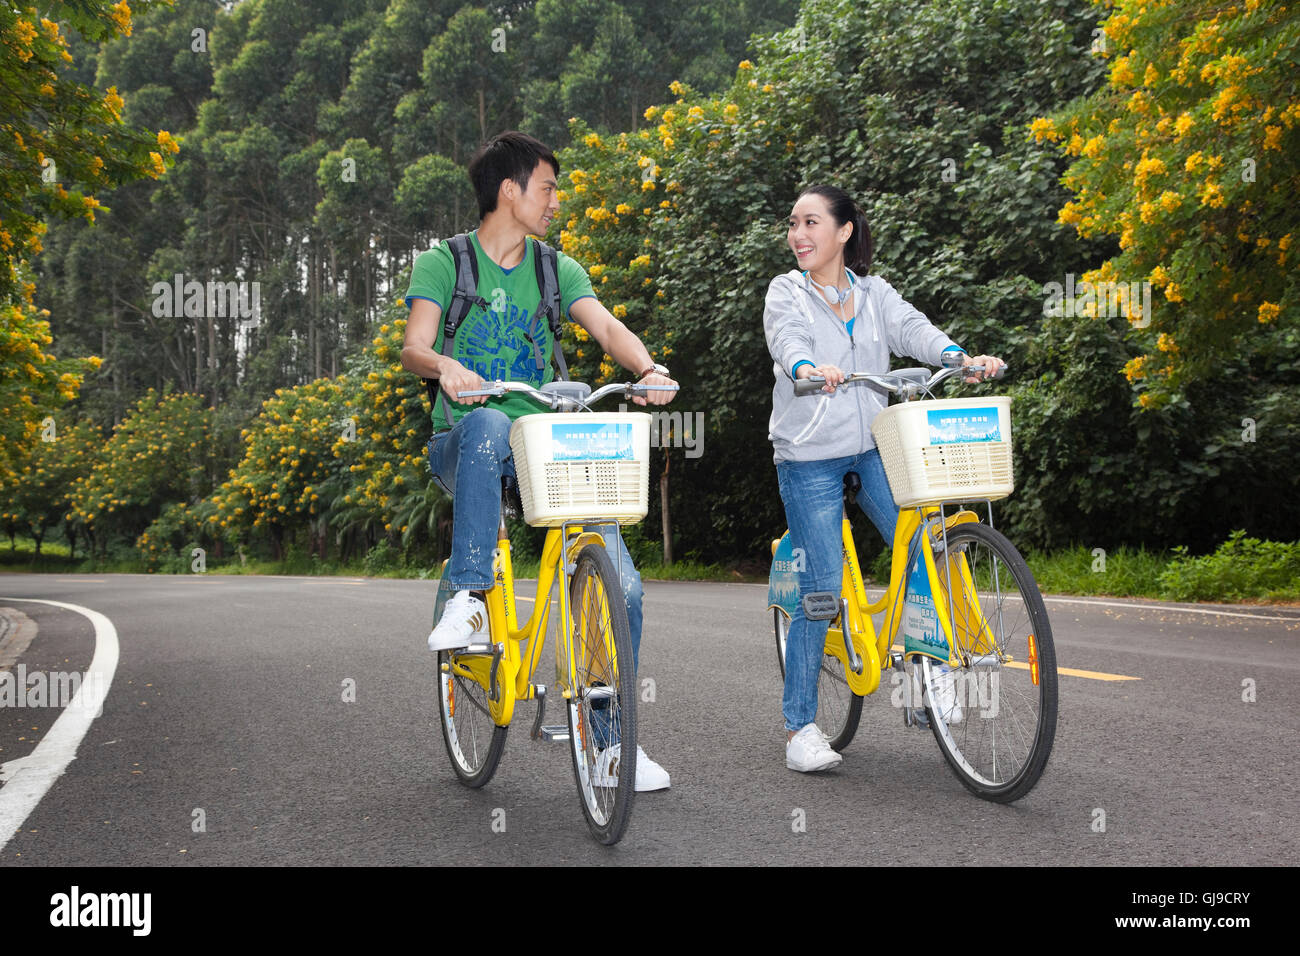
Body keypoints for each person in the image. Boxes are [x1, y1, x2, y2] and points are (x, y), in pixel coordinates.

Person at [400, 131, 676, 790]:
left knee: (624, 588)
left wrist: (646, 366)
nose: (556, 201)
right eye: (548, 188)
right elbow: (413, 346)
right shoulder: (445, 263)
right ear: (509, 190)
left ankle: (608, 745)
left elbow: (606, 327)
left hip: (543, 452)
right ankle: (468, 594)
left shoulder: (556, 269)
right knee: (491, 419)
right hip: (465, 443)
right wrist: (446, 366)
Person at [763, 184, 1005, 773]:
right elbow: (786, 340)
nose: (798, 235)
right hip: (807, 452)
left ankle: (927, 668)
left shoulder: (873, 294)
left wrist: (958, 359)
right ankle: (800, 728)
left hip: (873, 442)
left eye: (811, 223)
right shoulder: (786, 291)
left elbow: (913, 329)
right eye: (793, 224)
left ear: (844, 232)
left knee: (923, 540)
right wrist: (805, 368)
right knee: (821, 588)